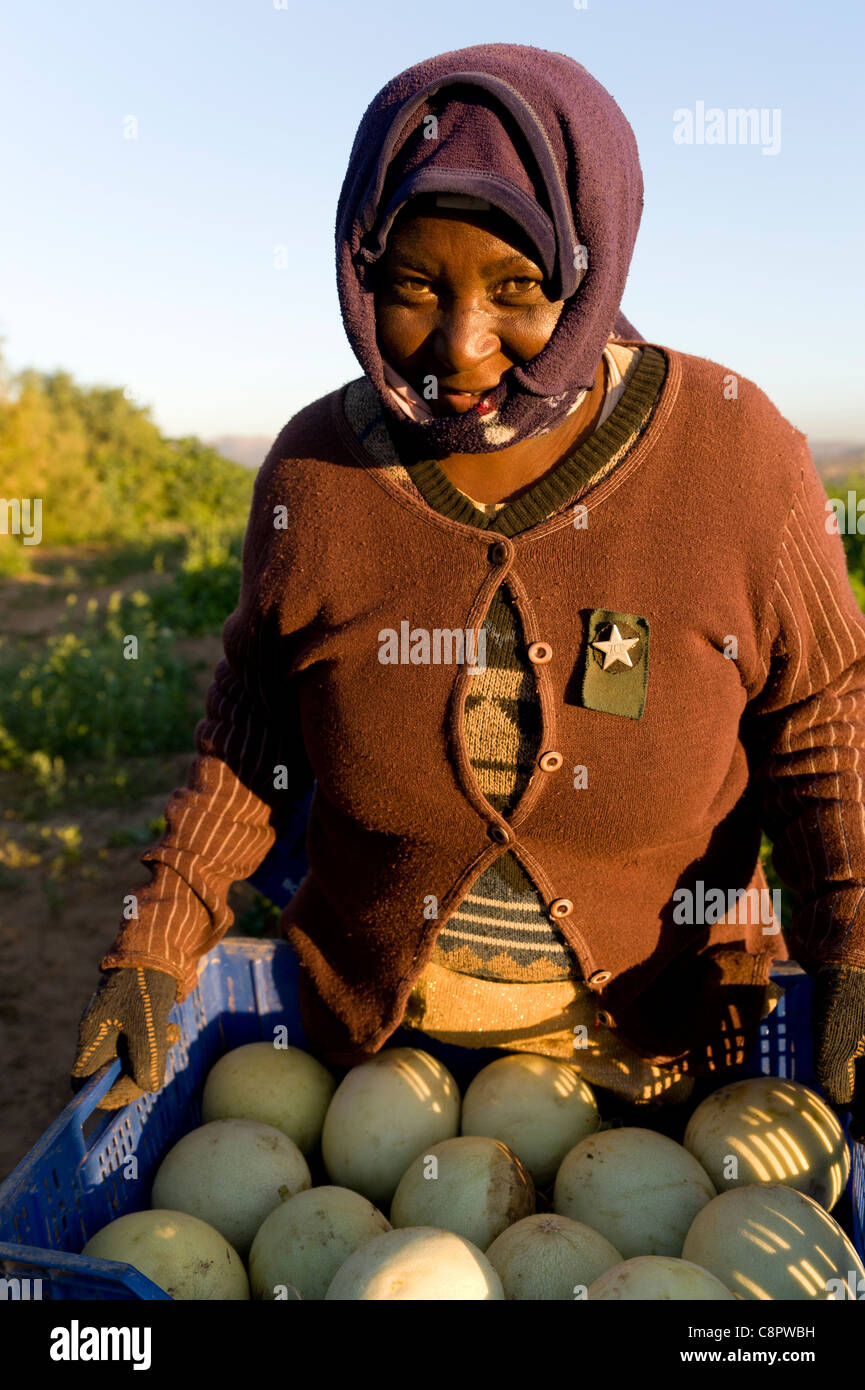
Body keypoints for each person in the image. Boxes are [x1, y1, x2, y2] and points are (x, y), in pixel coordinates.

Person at [72, 43, 865, 1135]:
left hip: (675, 1048)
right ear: (359, 265)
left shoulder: (732, 457)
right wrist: (154, 943)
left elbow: (824, 713)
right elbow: (253, 734)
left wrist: (853, 950)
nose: (461, 347)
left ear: (590, 269)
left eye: (517, 289)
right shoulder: (319, 476)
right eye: (411, 286)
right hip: (389, 1073)